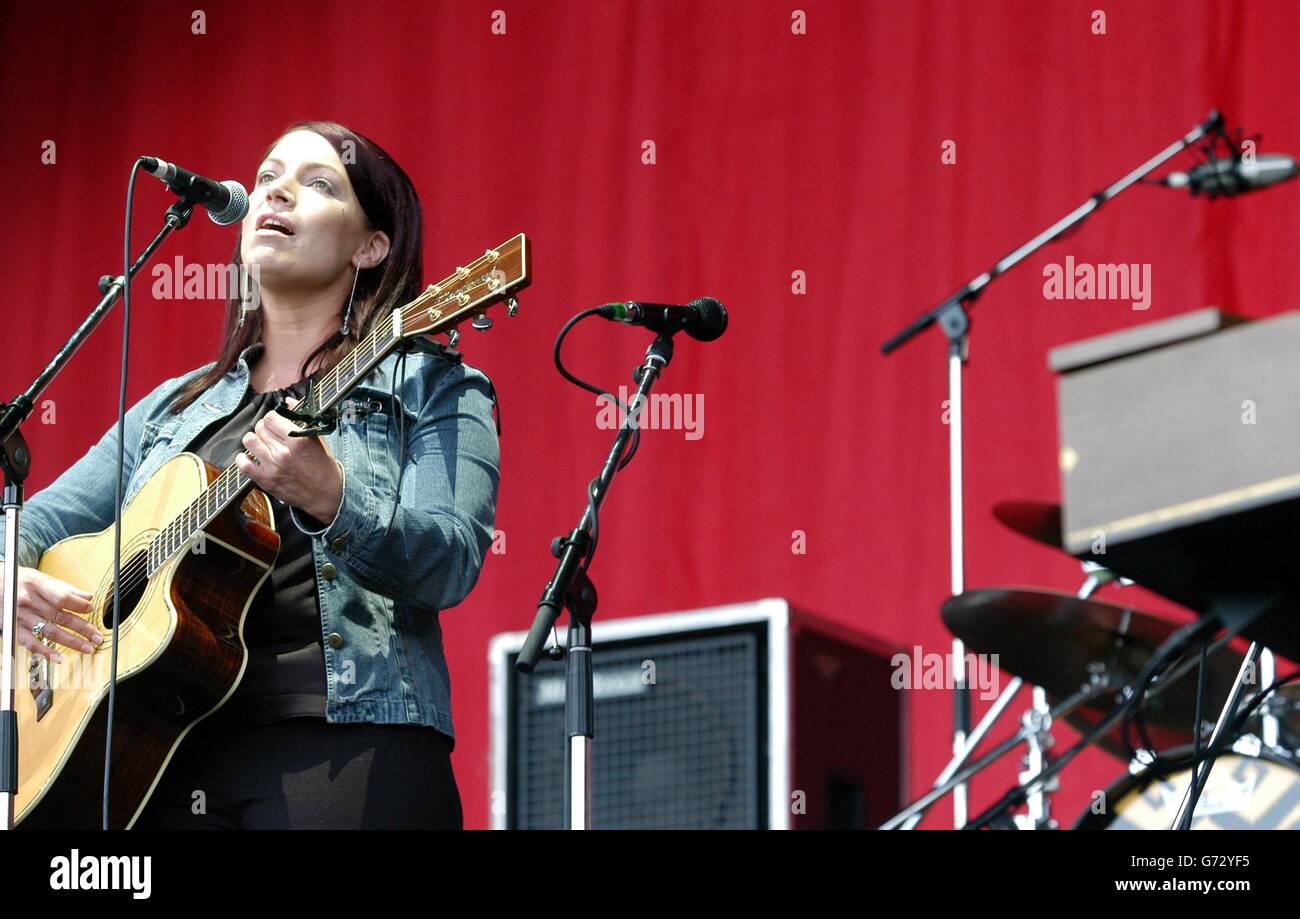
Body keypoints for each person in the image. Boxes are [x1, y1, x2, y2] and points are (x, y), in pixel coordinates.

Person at [0, 121, 499, 829]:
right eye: (268, 176)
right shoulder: (170, 410)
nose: (278, 192)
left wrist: (335, 500)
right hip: (155, 759)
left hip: (346, 748)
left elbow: (450, 559)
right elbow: (31, 523)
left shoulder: (434, 385)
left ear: (372, 246)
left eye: (318, 183)